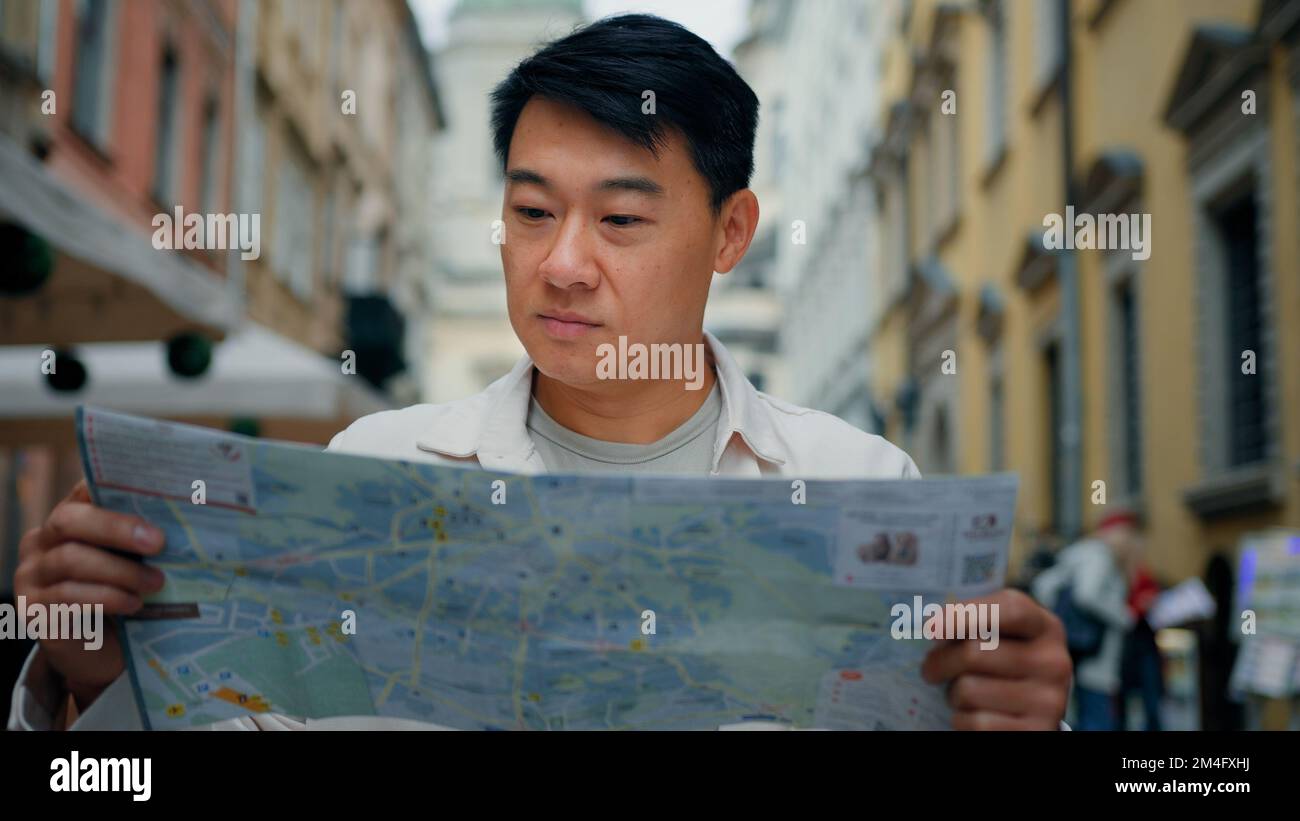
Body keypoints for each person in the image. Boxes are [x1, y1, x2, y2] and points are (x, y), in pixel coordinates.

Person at [9, 14, 1071, 732]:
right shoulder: (370, 471)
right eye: (528, 212)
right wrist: (93, 669)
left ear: (729, 231)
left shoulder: (859, 488)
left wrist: (1015, 713)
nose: (562, 263)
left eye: (619, 218)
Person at [1033, 510, 1143, 730]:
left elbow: (1043, 587)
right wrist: (1125, 616)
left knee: (1082, 714)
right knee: (1098, 717)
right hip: (1095, 657)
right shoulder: (1100, 556)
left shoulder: (1079, 556)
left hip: (1079, 652)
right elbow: (1087, 595)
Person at [1118, 563, 1164, 731]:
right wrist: (1138, 607)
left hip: (1145, 647)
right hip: (1124, 649)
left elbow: (1155, 596)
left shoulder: (1144, 577)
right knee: (1121, 702)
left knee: (1151, 701)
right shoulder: (1115, 578)